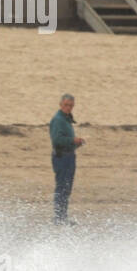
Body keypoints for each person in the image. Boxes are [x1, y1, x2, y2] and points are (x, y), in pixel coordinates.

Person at [49, 93, 84, 224]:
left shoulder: (66, 119)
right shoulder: (58, 119)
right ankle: (59, 217)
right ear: (61, 104)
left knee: (66, 187)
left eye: (70, 105)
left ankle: (62, 216)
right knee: (62, 186)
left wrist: (76, 143)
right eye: (66, 105)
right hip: (61, 157)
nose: (68, 108)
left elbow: (64, 140)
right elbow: (57, 140)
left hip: (69, 156)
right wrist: (72, 140)